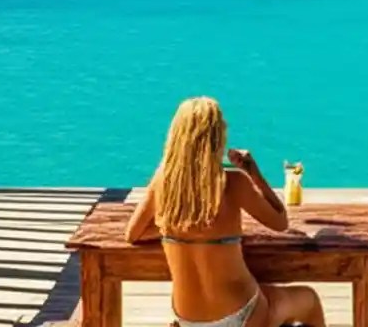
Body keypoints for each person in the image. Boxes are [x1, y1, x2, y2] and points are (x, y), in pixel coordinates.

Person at [125, 96, 326, 327]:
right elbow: (280, 221)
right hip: (243, 314)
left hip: (188, 318)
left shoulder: (162, 182)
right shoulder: (233, 183)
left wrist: (181, 226)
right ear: (216, 138)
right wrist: (254, 173)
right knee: (309, 301)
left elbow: (132, 233)